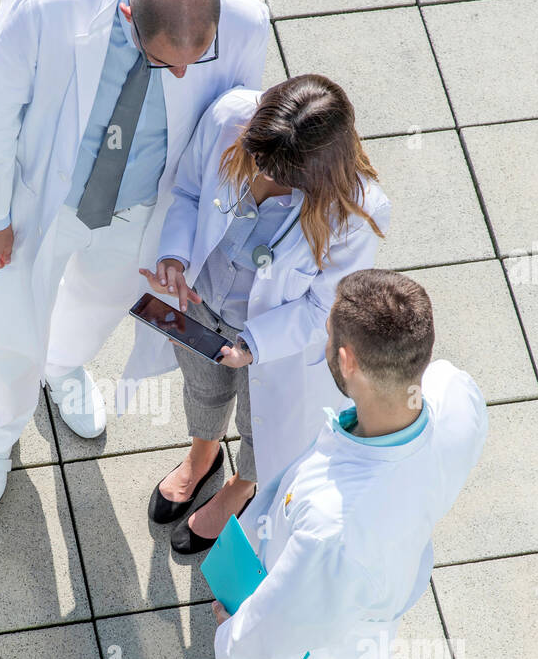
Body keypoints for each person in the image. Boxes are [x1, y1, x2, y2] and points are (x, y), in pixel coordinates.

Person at [161, 269, 488, 659]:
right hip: (374, 601)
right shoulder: (456, 398)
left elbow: (275, 632)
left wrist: (234, 631)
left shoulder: (334, 530)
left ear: (350, 362)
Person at [0, 0, 270, 512]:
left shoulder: (247, 20)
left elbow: (230, 129)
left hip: (147, 207)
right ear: (128, 15)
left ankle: (61, 365)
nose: (182, 74)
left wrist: (192, 242)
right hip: (47, 199)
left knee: (99, 305)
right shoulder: (44, 1)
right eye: (164, 61)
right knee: (11, 318)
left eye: (197, 60)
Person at [130, 75, 391, 554]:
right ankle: (203, 456)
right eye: (258, 160)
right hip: (199, 302)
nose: (264, 177)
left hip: (272, 345)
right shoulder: (230, 115)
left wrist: (253, 345)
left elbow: (324, 309)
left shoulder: (357, 212)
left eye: (282, 176)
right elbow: (188, 192)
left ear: (320, 171)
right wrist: (174, 257)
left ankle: (241, 485)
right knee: (202, 389)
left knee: (261, 422)